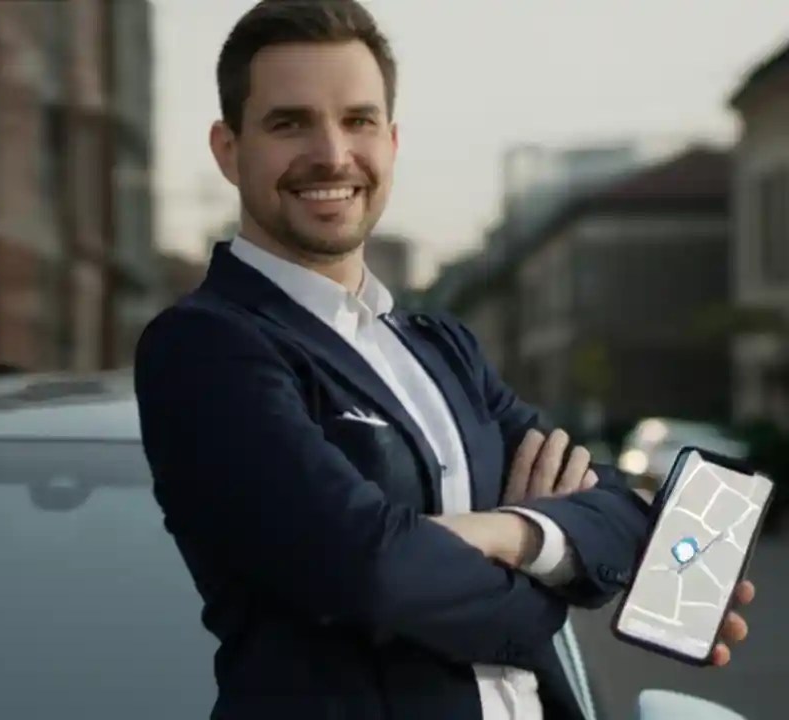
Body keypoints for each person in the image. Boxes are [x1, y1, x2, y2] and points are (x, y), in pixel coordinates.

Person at [133, 1, 755, 718]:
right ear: (228, 148)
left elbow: (616, 502)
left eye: (358, 120)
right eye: (289, 122)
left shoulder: (441, 347)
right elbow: (371, 573)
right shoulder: (207, 345)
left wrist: (509, 531)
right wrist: (552, 585)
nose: (333, 154)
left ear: (392, 141)